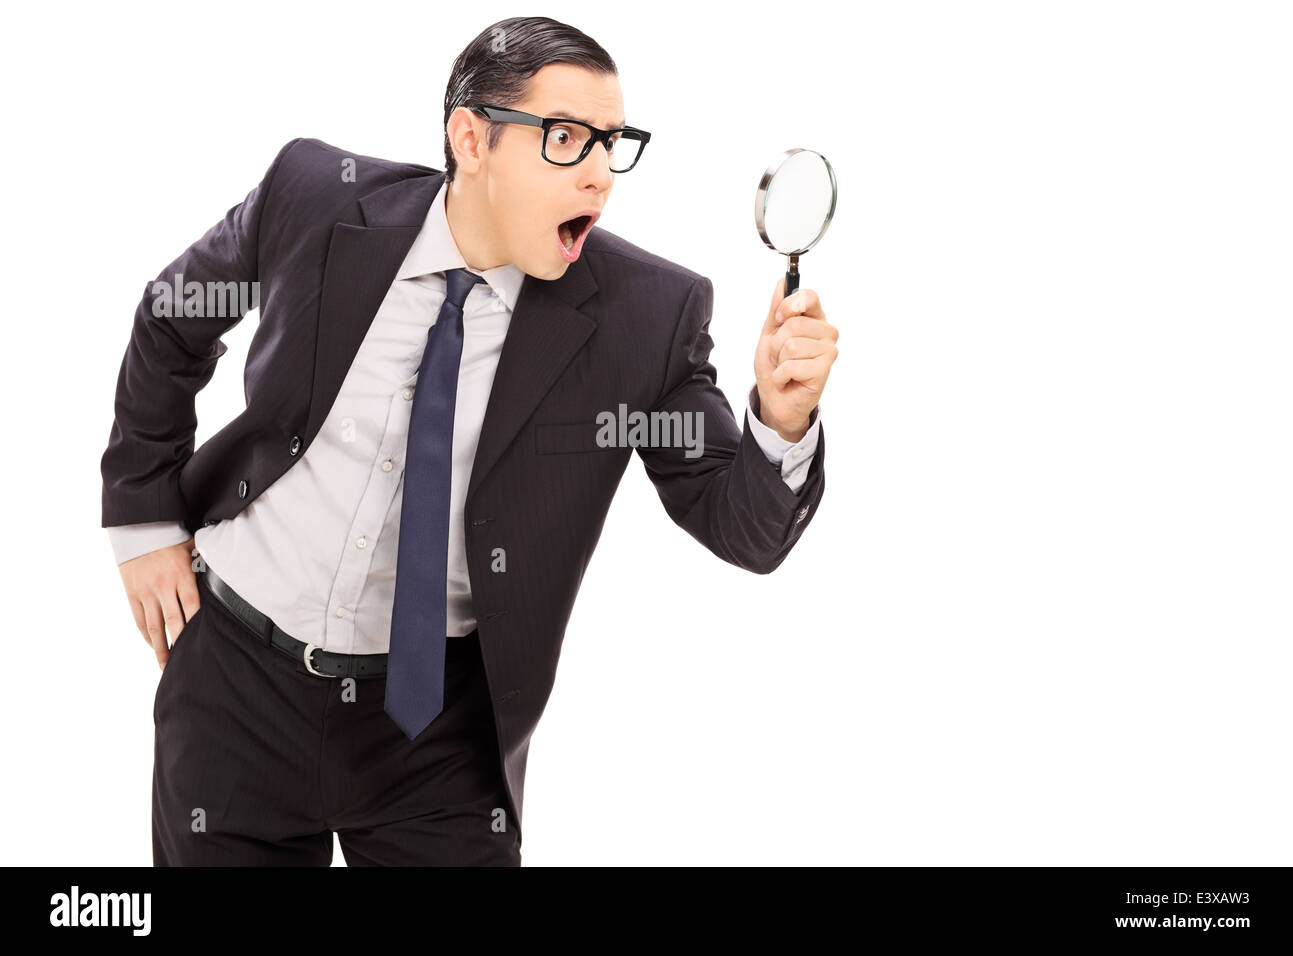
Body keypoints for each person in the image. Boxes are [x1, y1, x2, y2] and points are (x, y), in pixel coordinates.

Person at [101, 16, 838, 866]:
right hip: (235, 690)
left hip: (438, 735)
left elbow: (737, 522)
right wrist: (144, 517)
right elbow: (173, 319)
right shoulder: (316, 196)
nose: (600, 174)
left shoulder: (647, 314)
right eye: (567, 138)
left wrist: (782, 421)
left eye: (613, 143)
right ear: (471, 138)